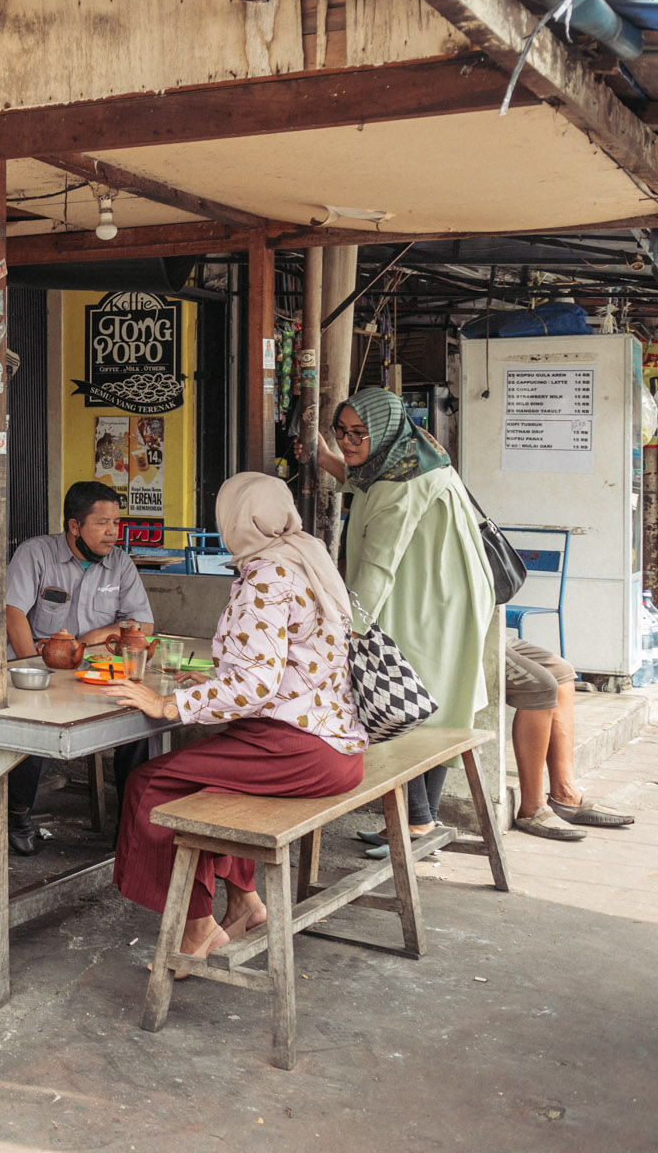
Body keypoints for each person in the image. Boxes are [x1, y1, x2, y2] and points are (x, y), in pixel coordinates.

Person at [97, 472, 366, 967]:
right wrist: (200, 690)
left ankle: (197, 929)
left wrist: (170, 705)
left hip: (299, 746)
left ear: (236, 520)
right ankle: (245, 902)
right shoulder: (307, 556)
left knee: (151, 785)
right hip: (337, 744)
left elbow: (255, 685)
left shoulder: (266, 574)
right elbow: (282, 671)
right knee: (207, 786)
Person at [317, 388, 497, 852]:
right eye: (342, 432)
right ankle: (421, 819)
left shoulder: (402, 485)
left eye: (360, 432)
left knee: (399, 705)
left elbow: (377, 565)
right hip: (437, 593)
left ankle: (416, 822)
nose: (349, 442)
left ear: (384, 429)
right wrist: (327, 460)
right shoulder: (411, 457)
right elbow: (364, 483)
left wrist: (349, 631)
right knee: (429, 703)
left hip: (431, 602)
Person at [2, 479, 156, 854]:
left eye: (116, 523)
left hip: (94, 675)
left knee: (143, 724)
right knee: (33, 725)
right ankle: (16, 814)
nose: (112, 533)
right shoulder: (35, 553)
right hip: (38, 671)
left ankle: (131, 824)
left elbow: (144, 626)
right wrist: (37, 671)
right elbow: (13, 612)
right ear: (74, 526)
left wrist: (88, 640)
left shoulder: (119, 563)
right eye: (102, 523)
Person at [503, 634, 635, 840]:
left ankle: (565, 795)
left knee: (561, 672)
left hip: (492, 626)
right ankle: (532, 807)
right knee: (541, 685)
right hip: (464, 629)